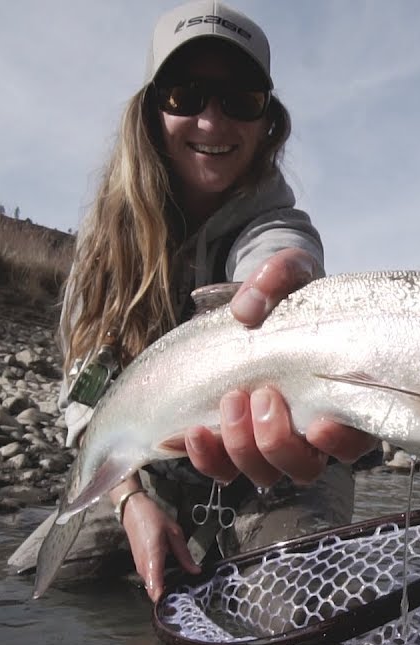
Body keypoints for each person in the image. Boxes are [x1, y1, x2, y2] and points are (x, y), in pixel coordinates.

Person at [56, 0, 376, 601]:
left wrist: (289, 279)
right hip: (149, 466)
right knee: (56, 582)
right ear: (151, 113)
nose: (211, 120)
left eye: (240, 100)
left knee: (295, 613)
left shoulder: (278, 222)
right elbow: (83, 401)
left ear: (267, 122)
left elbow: (282, 251)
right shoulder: (102, 247)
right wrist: (130, 503)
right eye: (185, 95)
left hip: (277, 463)